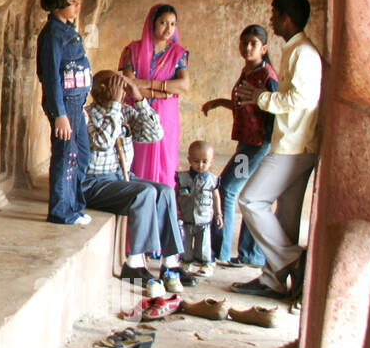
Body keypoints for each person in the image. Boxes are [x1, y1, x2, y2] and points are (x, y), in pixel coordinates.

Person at [231, 0, 323, 298]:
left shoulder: (304, 53)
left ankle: (291, 259)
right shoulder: (295, 50)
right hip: (295, 144)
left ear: (287, 18)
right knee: (286, 217)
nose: (271, 20)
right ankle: (273, 281)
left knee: (250, 200)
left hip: (294, 146)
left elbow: (301, 100)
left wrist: (261, 98)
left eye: (274, 15)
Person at [83, 70, 189, 293]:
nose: (118, 91)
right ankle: (134, 263)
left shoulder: (126, 112)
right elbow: (102, 141)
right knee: (144, 193)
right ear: (98, 89)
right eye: (111, 85)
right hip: (94, 183)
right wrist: (113, 105)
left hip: (121, 178)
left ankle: (169, 263)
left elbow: (154, 134)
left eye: (119, 87)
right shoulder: (86, 115)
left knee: (165, 192)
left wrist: (139, 98)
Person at [201, 24, 279, 267]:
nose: (247, 47)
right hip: (246, 143)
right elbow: (247, 105)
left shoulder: (267, 77)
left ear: (264, 48)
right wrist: (220, 102)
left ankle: (222, 252)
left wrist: (270, 147)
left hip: (256, 145)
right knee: (246, 194)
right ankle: (248, 255)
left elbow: (274, 109)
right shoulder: (249, 71)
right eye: (244, 42)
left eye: (253, 43)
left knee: (227, 188)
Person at [35, 0, 93, 225]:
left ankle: (74, 206)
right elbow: (49, 76)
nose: (77, 7)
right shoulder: (52, 36)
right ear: (58, 4)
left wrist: (81, 106)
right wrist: (60, 112)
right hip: (64, 104)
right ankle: (61, 211)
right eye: (72, 3)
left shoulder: (68, 30)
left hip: (75, 103)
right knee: (66, 154)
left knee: (81, 154)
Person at [119, 4, 190, 186]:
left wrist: (146, 84)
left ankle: (160, 208)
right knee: (137, 156)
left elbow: (183, 85)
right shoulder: (132, 50)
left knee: (164, 162)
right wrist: (163, 92)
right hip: (137, 113)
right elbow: (129, 84)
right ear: (152, 23)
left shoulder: (178, 54)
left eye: (173, 24)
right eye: (163, 22)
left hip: (166, 116)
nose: (168, 29)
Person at [176, 140, 222, 275]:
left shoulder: (213, 180)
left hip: (204, 219)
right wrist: (177, 209)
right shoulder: (182, 177)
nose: (200, 165)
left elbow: (216, 197)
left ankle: (206, 264)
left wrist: (218, 214)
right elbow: (175, 192)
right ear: (189, 160)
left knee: (204, 245)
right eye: (196, 161)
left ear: (211, 162)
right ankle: (185, 262)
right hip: (187, 217)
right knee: (186, 244)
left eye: (205, 161)